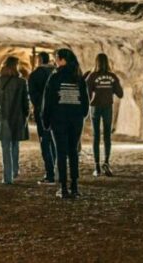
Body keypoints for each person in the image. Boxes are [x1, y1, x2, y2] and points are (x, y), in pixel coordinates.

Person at [42, 48, 89, 199]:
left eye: (56, 58)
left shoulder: (55, 77)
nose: (55, 61)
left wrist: (46, 120)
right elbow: (85, 100)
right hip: (75, 119)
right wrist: (82, 115)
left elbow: (48, 100)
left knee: (61, 153)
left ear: (62, 60)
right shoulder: (78, 77)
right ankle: (74, 186)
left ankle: (63, 187)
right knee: (73, 151)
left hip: (59, 119)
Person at [85, 53, 123, 177]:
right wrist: (110, 88)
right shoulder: (112, 76)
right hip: (107, 107)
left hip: (95, 107)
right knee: (107, 135)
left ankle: (97, 167)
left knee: (96, 136)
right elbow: (120, 94)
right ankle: (106, 162)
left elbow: (87, 94)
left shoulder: (92, 76)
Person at [0, 56, 30, 185]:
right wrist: (25, 116)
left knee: (5, 146)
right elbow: (25, 102)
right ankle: (15, 170)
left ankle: (7, 177)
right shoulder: (21, 82)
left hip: (2, 116)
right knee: (15, 145)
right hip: (17, 117)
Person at [28, 51, 57, 186]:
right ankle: (57, 170)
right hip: (58, 112)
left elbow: (33, 96)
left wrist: (38, 108)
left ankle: (50, 174)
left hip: (43, 113)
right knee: (56, 141)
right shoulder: (56, 73)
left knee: (45, 142)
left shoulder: (34, 75)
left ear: (39, 60)